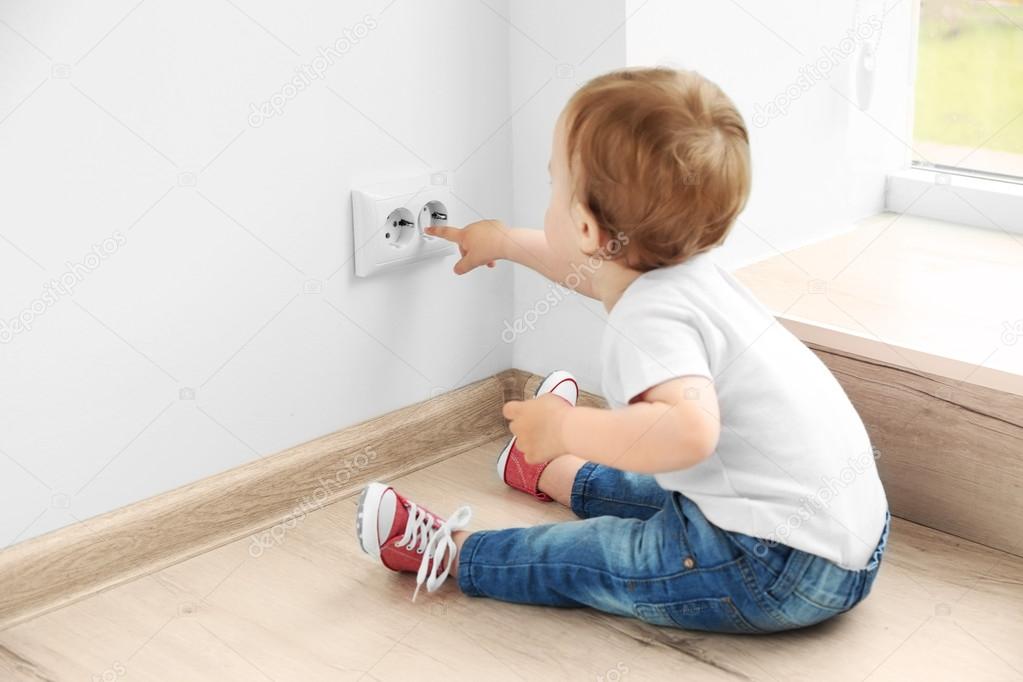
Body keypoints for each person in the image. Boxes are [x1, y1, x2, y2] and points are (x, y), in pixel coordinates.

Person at [354, 67, 889, 633]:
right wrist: (506, 242)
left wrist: (566, 427)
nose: (551, 193)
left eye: (554, 184)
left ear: (585, 226)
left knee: (598, 553)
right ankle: (552, 472)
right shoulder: (687, 273)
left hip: (774, 569)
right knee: (654, 486)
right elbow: (590, 269)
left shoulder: (650, 316)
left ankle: (454, 552)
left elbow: (689, 433)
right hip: (847, 536)